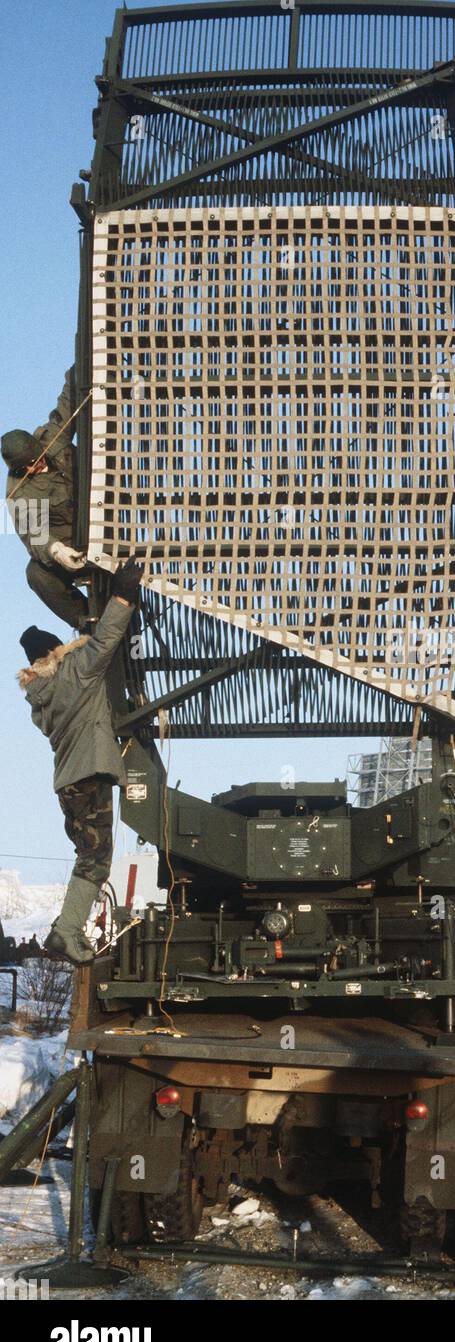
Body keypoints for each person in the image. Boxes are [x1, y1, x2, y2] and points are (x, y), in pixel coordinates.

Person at [17, 559, 144, 966]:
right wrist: (123, 595)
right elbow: (105, 640)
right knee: (95, 860)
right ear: (57, 650)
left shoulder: (40, 695)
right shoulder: (73, 671)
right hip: (88, 778)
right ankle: (66, 932)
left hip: (68, 786)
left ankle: (66, 930)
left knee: (87, 855)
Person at [2, 367, 89, 629]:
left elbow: (69, 401)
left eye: (39, 459)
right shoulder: (19, 492)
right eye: (31, 466)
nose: (37, 466)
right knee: (36, 574)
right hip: (71, 548)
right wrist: (58, 552)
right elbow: (34, 534)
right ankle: (87, 622)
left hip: (103, 521)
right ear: (20, 469)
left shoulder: (51, 438)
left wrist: (80, 367)